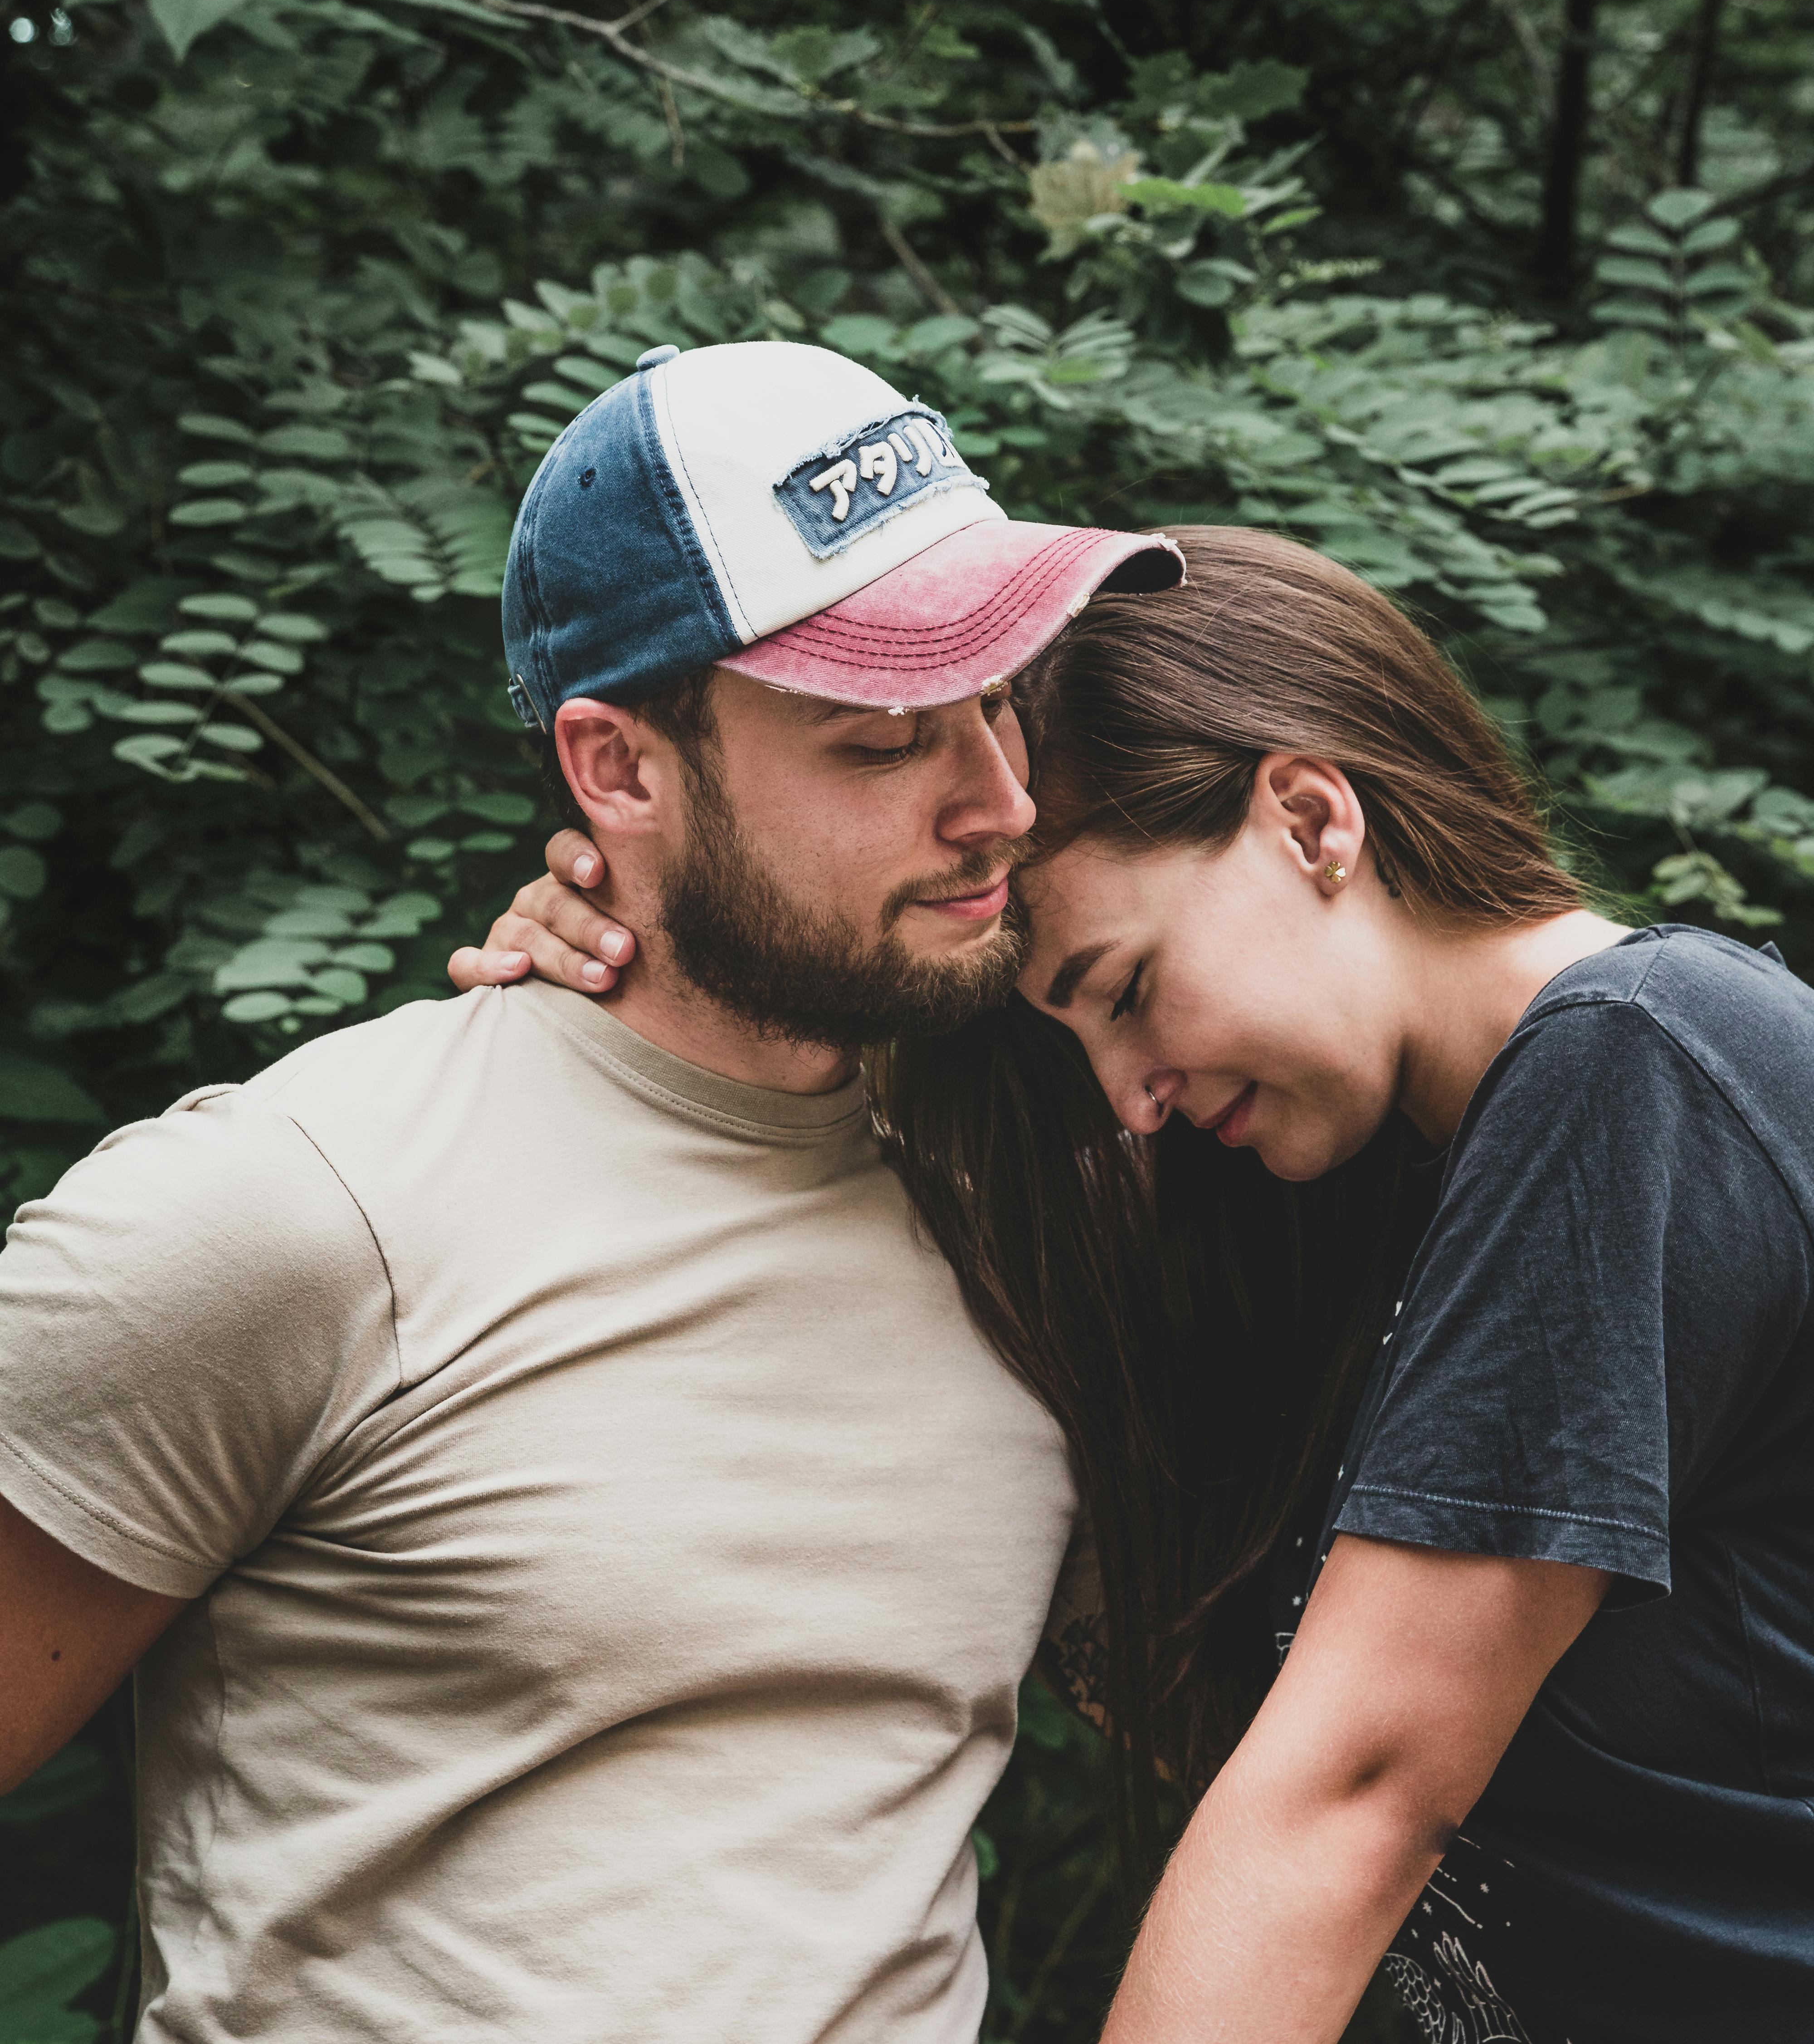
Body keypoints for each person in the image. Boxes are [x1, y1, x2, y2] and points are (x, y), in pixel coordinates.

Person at [468, 524, 1814, 2044]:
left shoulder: (1641, 1067)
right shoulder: (1381, 1198)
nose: (1131, 1096)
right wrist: (668, 972)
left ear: (1310, 819)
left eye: (1125, 991)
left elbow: (1349, 1796)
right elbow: (1195, 1700)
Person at [0, 337, 1185, 2044]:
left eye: (1001, 702)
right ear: (618, 771)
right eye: (883, 743)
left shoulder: (1025, 1222)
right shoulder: (300, 1211)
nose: (1001, 802)